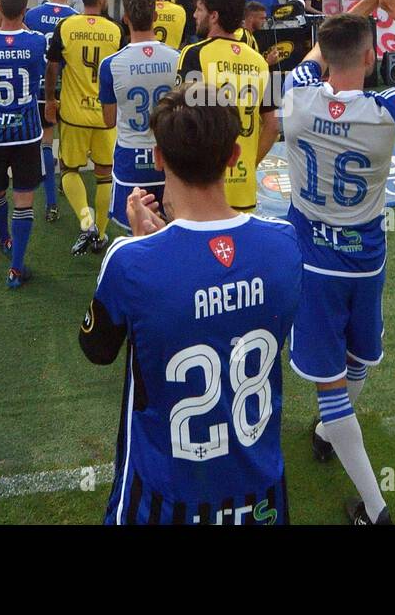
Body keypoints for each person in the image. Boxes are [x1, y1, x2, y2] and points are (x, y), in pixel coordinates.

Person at [79, 82, 303, 524]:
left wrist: (151, 246)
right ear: (235, 157)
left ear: (159, 157)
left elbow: (98, 350)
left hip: (163, 500)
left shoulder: (131, 263)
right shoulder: (284, 244)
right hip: (260, 498)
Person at [283, 0, 395, 525]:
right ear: (374, 58)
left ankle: (331, 427)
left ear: (325, 59)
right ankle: (375, 510)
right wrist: (394, 7)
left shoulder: (297, 98)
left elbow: (317, 57)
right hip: (365, 260)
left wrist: (367, 6)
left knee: (339, 378)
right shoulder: (386, 113)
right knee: (354, 366)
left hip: (313, 263)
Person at [176, 0, 278, 212]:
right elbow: (272, 126)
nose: (194, 15)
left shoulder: (193, 54)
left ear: (213, 16)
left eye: (199, 9)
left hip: (202, 186)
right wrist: (249, 165)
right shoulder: (260, 62)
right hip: (244, 187)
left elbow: (181, 122)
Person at [0, 0, 47, 288]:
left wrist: (2, 16)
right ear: (25, 11)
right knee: (24, 197)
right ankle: (16, 269)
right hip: (27, 130)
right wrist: (15, 14)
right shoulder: (37, 40)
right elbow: (27, 40)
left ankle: (4, 238)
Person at [45, 0, 122, 255]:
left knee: (69, 170)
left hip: (74, 112)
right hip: (105, 114)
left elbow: (52, 66)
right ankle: (100, 234)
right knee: (104, 175)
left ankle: (86, 221)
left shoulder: (66, 26)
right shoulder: (115, 30)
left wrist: (51, 99)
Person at [98, 0, 179, 233]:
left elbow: (109, 120)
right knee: (173, 229)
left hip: (130, 159)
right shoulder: (178, 58)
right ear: (155, 16)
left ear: (125, 18)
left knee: (136, 230)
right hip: (170, 156)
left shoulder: (111, 64)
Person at [23, 0, 79, 222]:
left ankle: (51, 203)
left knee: (45, 143)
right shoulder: (76, 18)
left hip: (38, 89)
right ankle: (68, 185)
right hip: (65, 90)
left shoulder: (32, 15)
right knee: (67, 142)